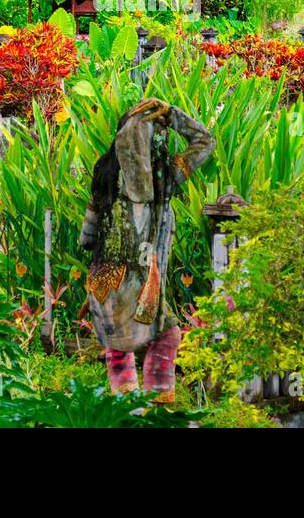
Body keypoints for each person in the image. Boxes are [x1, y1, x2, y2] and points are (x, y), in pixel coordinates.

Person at [79, 97, 215, 404]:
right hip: (135, 278)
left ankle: (132, 406)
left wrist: (170, 114)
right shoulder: (165, 177)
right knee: (164, 335)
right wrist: (174, 116)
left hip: (106, 277)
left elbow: (87, 236)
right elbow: (204, 140)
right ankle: (154, 403)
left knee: (121, 344)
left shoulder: (108, 175)